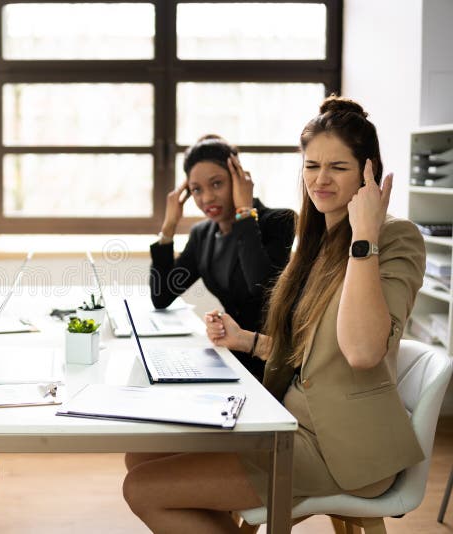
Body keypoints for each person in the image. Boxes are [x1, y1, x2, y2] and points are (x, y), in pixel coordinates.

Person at [123, 96, 426, 533]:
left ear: (368, 171)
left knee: (142, 488)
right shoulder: (319, 238)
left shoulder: (393, 238)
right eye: (311, 166)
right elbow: (308, 349)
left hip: (342, 446)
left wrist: (365, 237)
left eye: (337, 168)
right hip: (288, 417)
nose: (320, 180)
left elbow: (361, 351)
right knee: (141, 456)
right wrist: (246, 340)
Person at [150, 135, 295, 380]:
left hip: (272, 361)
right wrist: (169, 227)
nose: (206, 198)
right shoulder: (203, 234)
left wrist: (244, 212)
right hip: (230, 358)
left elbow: (261, 288)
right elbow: (162, 296)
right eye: (196, 190)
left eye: (216, 184)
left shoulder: (278, 221)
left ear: (239, 179)